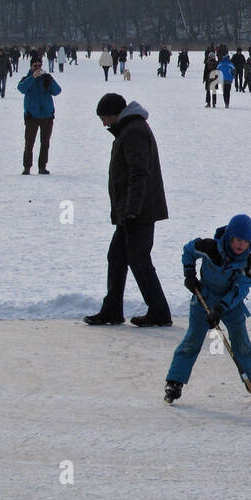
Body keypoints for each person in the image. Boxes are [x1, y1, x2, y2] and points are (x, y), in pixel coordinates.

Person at [85, 93, 172, 327]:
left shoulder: (133, 131)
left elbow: (139, 173)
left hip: (139, 211)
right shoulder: (129, 128)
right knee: (117, 256)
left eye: (104, 117)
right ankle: (112, 310)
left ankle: (159, 312)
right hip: (131, 210)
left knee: (138, 259)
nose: (103, 123)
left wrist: (132, 212)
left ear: (115, 114)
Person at [164, 214, 251, 403]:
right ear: (229, 237)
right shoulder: (209, 247)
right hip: (204, 298)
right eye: (237, 240)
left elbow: (240, 289)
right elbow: (188, 250)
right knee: (192, 340)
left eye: (245, 241)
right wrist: (189, 274)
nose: (240, 245)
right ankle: (174, 381)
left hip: (231, 305)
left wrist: (221, 307)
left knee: (241, 341)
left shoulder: (248, 263)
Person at [17, 57, 61, 174]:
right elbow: (21, 88)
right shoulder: (27, 78)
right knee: (29, 143)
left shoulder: (46, 79)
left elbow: (57, 91)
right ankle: (27, 167)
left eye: (39, 65)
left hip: (47, 116)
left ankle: (42, 167)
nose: (37, 68)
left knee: (45, 143)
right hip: (32, 116)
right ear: (31, 67)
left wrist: (50, 80)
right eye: (35, 66)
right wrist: (32, 77)